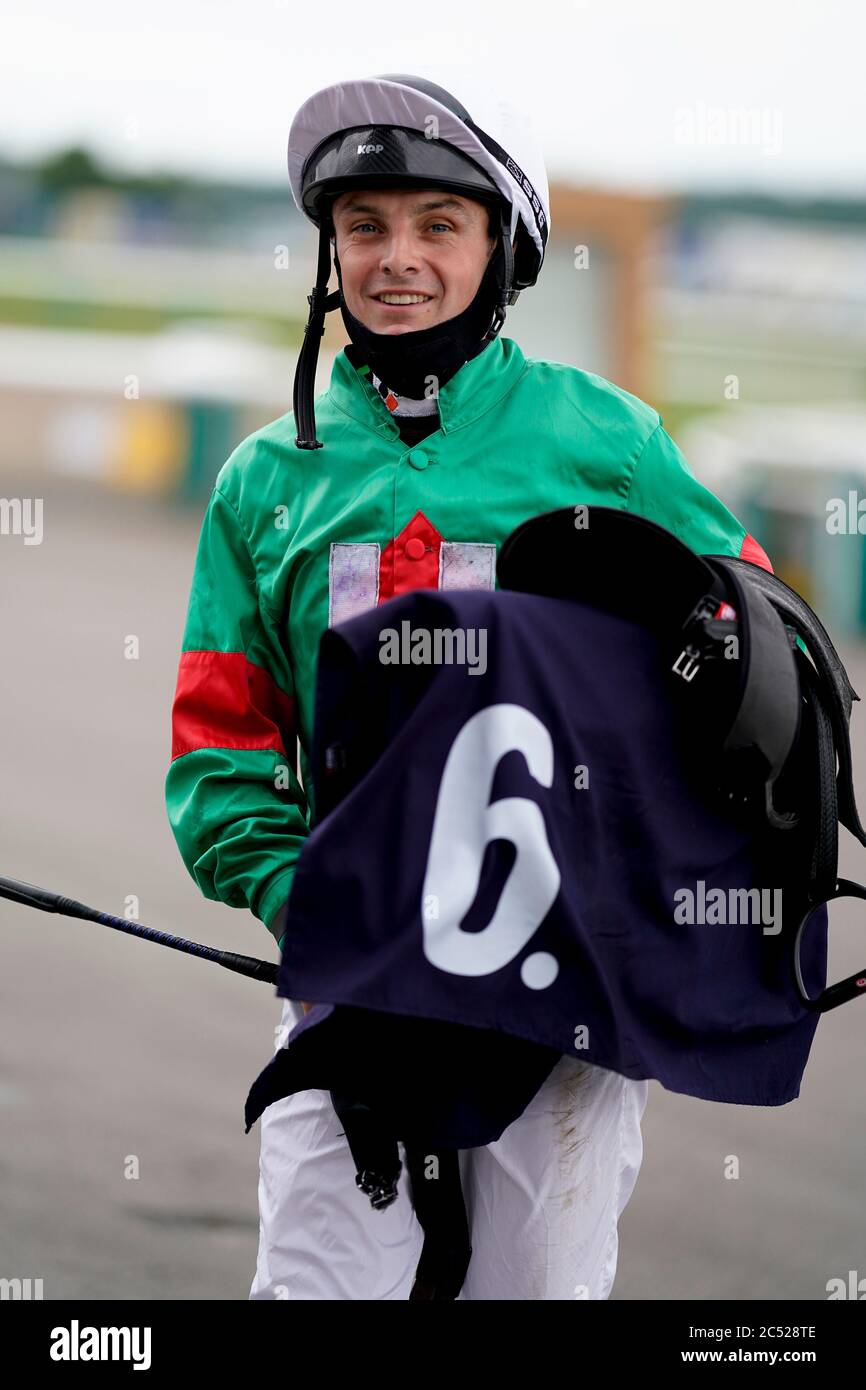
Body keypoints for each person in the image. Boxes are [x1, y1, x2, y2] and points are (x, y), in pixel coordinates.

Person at [165, 72, 774, 1300]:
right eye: (364, 227)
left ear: (501, 246)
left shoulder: (606, 439)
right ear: (329, 250)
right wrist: (307, 905)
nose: (396, 259)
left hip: (567, 1004)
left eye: (437, 225)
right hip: (351, 985)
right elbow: (218, 747)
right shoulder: (259, 479)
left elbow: (761, 677)